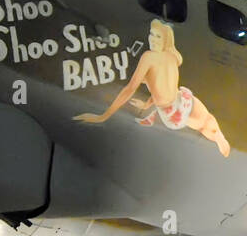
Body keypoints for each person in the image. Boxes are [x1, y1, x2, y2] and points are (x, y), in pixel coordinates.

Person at [74, 18, 230, 157]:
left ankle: (219, 137)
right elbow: (159, 86)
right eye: (152, 35)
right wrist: (147, 103)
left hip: (173, 110)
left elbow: (130, 89)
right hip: (180, 101)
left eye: (158, 36)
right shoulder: (173, 56)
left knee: (204, 123)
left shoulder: (149, 57)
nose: (153, 39)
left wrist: (104, 116)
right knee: (205, 122)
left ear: (165, 40)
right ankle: (219, 137)